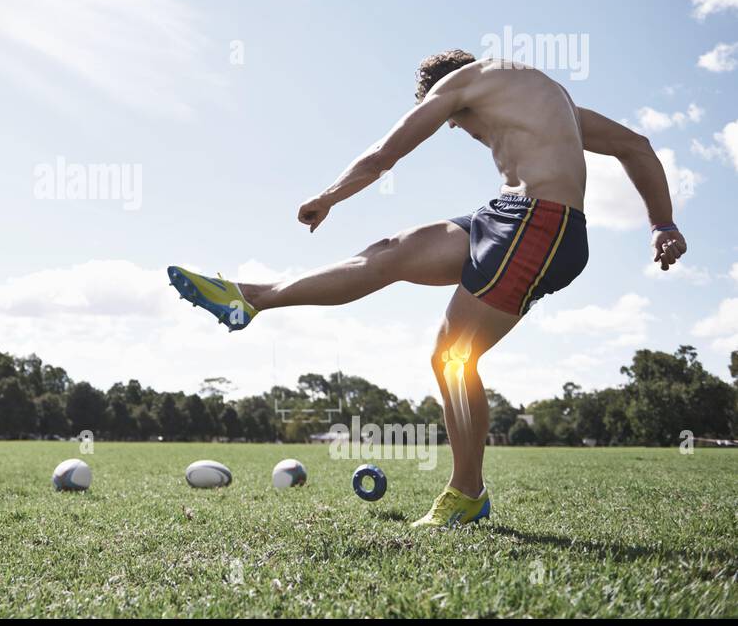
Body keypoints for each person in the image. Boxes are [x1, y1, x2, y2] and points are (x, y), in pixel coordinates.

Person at [168, 50, 687, 528]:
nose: (458, 129)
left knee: (452, 356)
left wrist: (327, 197)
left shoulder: (467, 81)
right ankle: (252, 297)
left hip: (541, 226)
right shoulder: (550, 98)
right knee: (392, 251)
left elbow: (383, 155)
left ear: (449, 95)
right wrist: (662, 224)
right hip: (505, 215)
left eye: (453, 122)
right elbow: (634, 145)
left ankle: (467, 493)